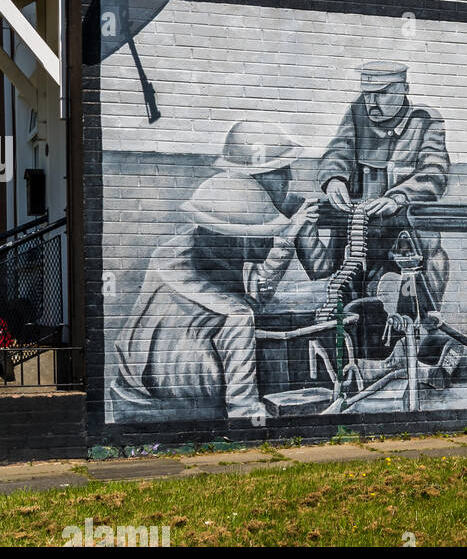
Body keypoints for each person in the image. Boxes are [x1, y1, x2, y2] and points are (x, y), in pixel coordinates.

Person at [109, 121, 331, 426]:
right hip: (187, 414)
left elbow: (253, 290)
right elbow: (244, 412)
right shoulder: (235, 317)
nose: (288, 181)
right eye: (279, 172)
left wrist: (287, 237)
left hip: (128, 396)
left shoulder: (168, 257)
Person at [318, 61, 450, 304]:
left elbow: (434, 173)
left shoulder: (425, 120)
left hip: (406, 243)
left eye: (381, 94)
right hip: (357, 238)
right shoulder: (357, 112)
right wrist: (334, 179)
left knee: (417, 310)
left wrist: (397, 198)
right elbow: (339, 150)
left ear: (404, 89)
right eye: (367, 94)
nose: (372, 103)